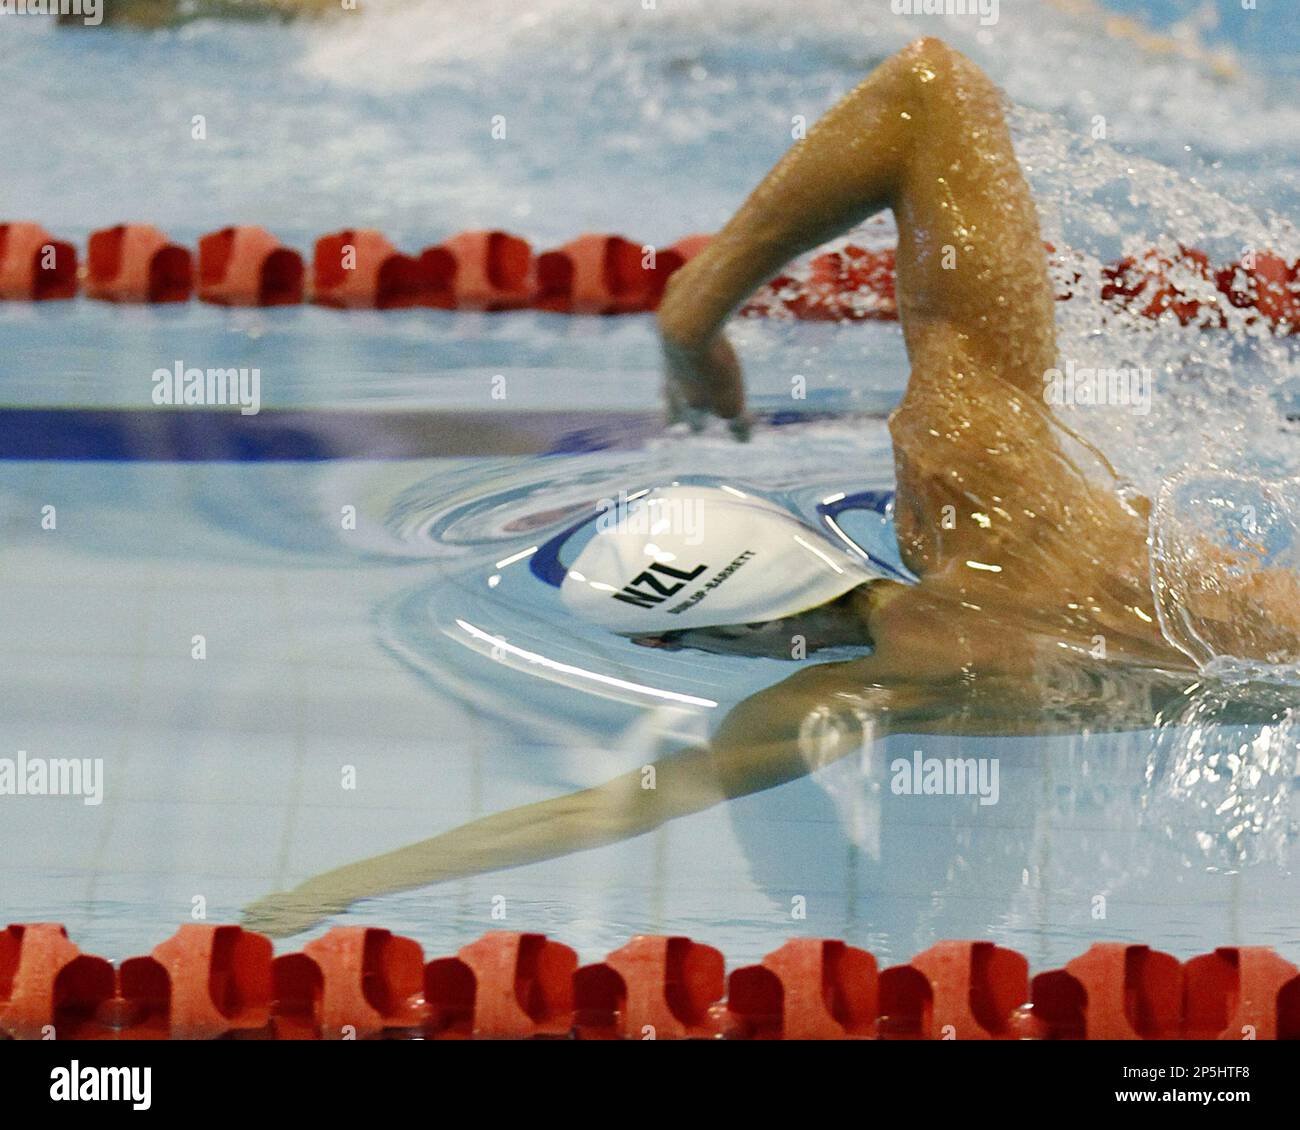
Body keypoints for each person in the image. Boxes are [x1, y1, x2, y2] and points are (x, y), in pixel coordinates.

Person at [244, 38, 1292, 936]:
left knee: (893, 943)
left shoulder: (899, 675)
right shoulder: (976, 477)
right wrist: (691, 316)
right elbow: (933, 90)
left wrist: (337, 885)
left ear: (719, 638)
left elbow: (613, 810)